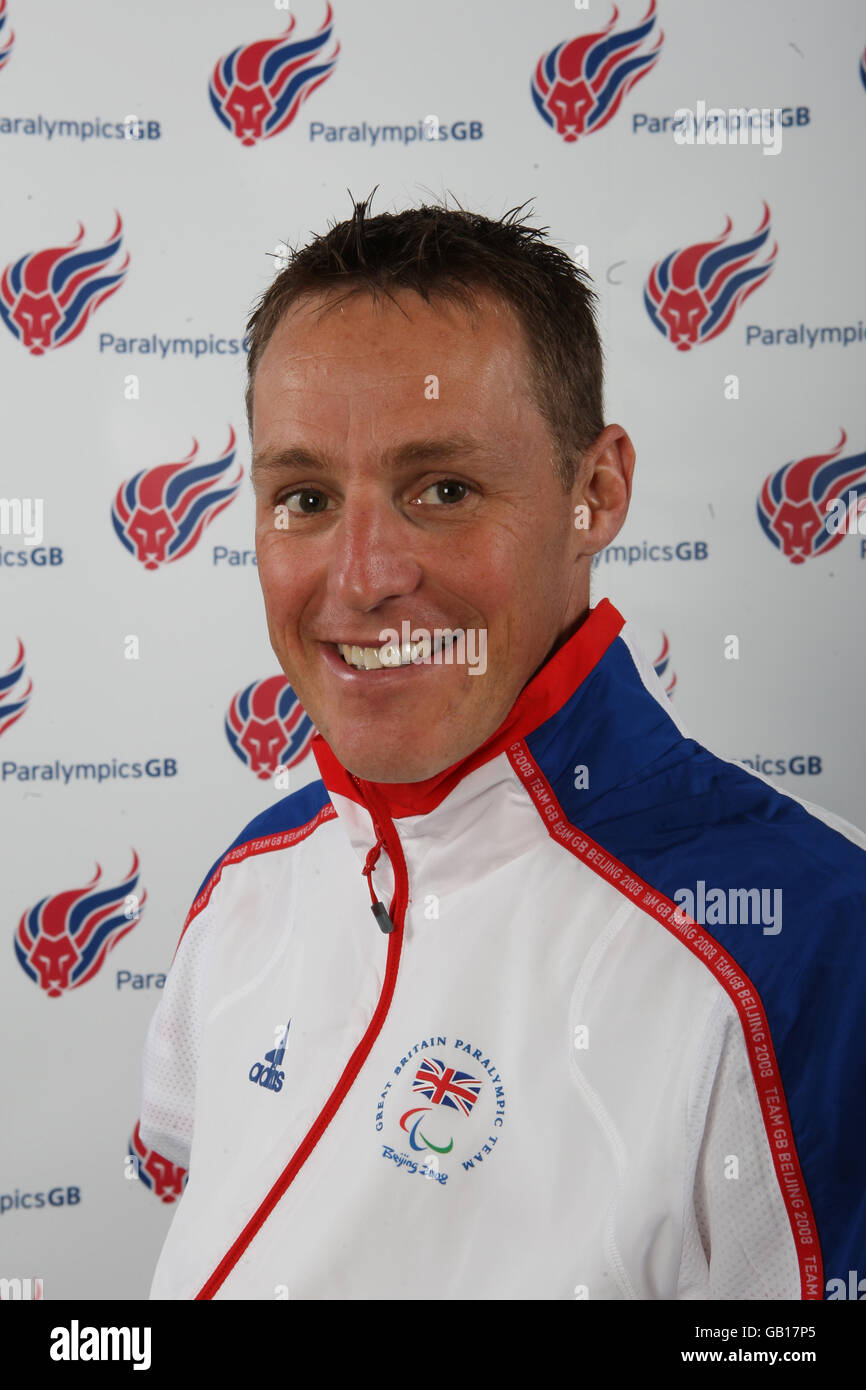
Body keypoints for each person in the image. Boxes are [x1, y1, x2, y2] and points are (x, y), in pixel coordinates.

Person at [139, 192, 866, 1300]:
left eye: (443, 489)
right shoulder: (249, 876)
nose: (361, 576)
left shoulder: (810, 935)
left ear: (596, 492)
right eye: (304, 497)